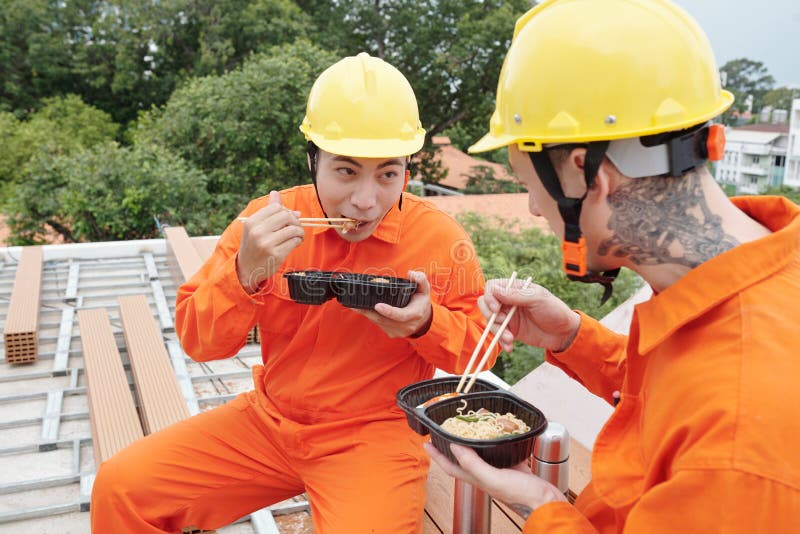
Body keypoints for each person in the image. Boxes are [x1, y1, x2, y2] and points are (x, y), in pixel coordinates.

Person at [425, 0, 800, 532]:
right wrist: (572, 336)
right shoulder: (739, 283)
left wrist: (543, 505)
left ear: (586, 177)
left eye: (531, 188)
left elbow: (715, 410)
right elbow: (681, 395)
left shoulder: (738, 448)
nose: (534, 210)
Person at [90, 52, 497, 533]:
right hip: (269, 422)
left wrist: (428, 324)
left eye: (388, 173)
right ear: (313, 159)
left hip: (374, 436)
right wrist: (245, 272)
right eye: (346, 171)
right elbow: (200, 343)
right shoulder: (267, 223)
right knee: (121, 488)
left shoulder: (439, 239)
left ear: (408, 168)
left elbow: (483, 351)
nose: (366, 200)